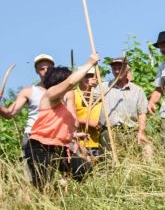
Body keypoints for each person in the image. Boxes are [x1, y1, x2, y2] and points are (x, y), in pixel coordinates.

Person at [24, 55, 100, 189]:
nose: (69, 86)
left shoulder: (61, 103)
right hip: (39, 147)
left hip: (58, 147)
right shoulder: (50, 95)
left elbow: (59, 126)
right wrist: (90, 63)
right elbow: (70, 82)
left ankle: (60, 187)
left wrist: (74, 136)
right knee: (43, 186)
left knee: (84, 169)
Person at [0, 54, 54, 167]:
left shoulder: (64, 90)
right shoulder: (29, 91)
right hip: (32, 136)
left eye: (48, 68)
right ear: (36, 71)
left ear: (54, 68)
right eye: (41, 69)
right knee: (34, 177)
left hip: (56, 137)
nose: (45, 71)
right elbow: (10, 113)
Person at [101, 55, 151, 158]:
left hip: (130, 132)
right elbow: (89, 99)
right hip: (109, 132)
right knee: (110, 161)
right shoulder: (103, 87)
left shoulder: (137, 91)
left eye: (120, 68)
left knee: (133, 158)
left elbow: (142, 113)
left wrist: (141, 132)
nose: (116, 71)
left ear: (127, 70)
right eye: (114, 68)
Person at [73, 66, 105, 159]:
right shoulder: (73, 94)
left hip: (99, 141)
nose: (89, 79)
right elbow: (67, 119)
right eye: (86, 76)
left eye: (91, 76)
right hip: (80, 142)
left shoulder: (100, 94)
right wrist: (88, 122)